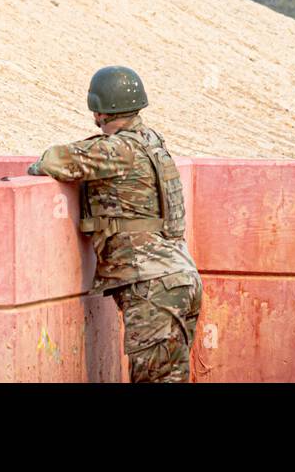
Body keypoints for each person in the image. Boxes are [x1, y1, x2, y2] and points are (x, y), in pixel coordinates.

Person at [26, 65, 202, 382]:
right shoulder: (152, 141)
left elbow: (54, 160)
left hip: (152, 286)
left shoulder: (118, 149)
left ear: (98, 111)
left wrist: (40, 164)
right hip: (180, 279)